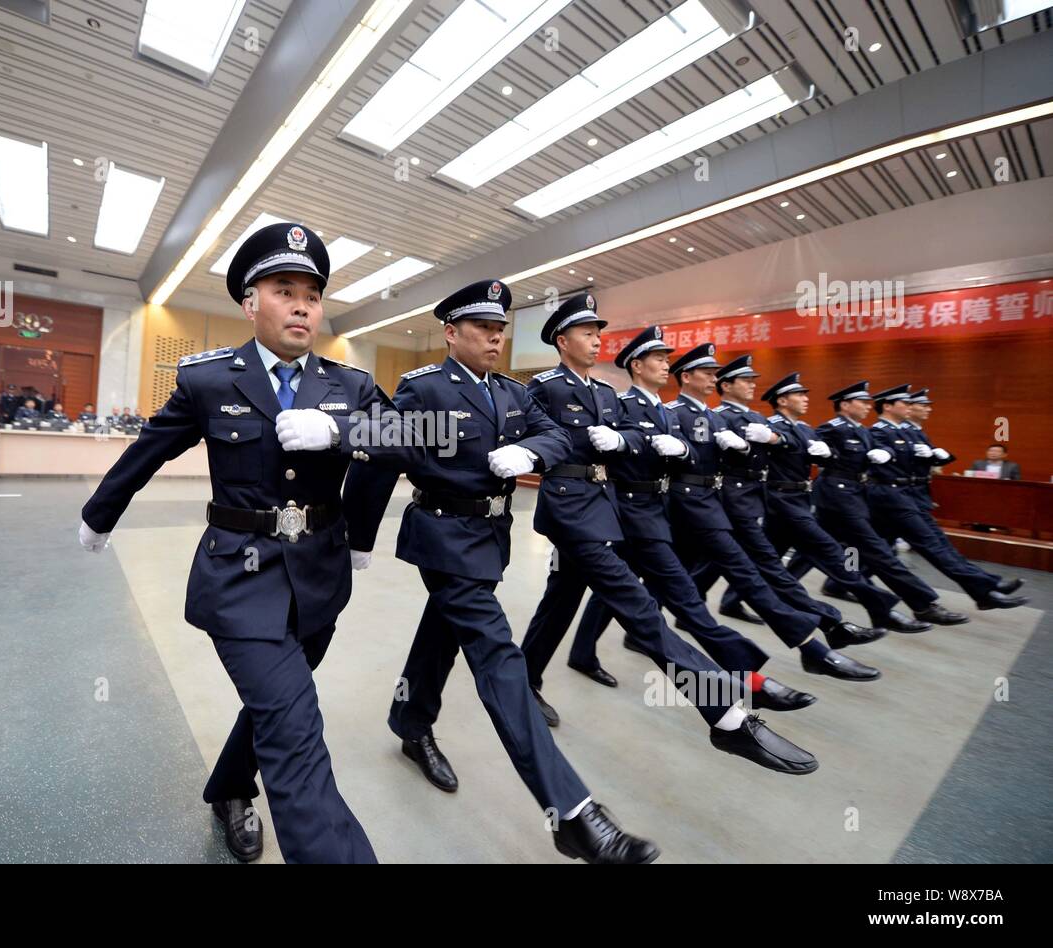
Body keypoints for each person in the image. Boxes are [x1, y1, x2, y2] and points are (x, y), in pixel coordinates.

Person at [79, 222, 420, 864]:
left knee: (277, 701)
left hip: (319, 580)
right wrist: (101, 513)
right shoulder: (211, 379)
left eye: (312, 295)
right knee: (295, 728)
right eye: (284, 289)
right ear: (250, 303)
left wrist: (339, 430)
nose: (301, 305)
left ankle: (231, 788)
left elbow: (412, 436)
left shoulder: (348, 387)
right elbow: (151, 449)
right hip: (239, 577)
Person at [345, 280, 660, 864]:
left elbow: (556, 433)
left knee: (442, 633)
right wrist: (357, 538)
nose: (495, 336)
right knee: (498, 658)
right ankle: (571, 812)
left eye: (501, 329)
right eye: (483, 327)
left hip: (490, 537)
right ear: (450, 332)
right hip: (442, 538)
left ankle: (410, 721)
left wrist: (533, 452)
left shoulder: (512, 394)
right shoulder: (424, 389)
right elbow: (380, 455)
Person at [518, 298, 819, 773]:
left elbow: (630, 439)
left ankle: (525, 678)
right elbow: (528, 438)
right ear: (562, 340)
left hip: (606, 509)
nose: (597, 338)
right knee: (641, 612)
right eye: (586, 332)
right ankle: (725, 715)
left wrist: (626, 442)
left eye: (599, 331)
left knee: (559, 603)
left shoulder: (603, 392)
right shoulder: (544, 388)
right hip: (570, 511)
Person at [660, 345, 880, 681]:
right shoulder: (672, 412)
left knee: (678, 579)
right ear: (686, 377)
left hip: (719, 506)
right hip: (694, 507)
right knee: (751, 573)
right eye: (708, 373)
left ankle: (821, 635)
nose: (713, 379)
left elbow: (751, 455)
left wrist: (750, 445)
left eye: (715, 373)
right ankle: (817, 640)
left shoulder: (717, 416)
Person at [805, 383, 970, 626]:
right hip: (838, 497)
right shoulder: (833, 428)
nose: (868, 406)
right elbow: (810, 447)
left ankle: (760, 592)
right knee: (879, 552)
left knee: (818, 550)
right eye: (862, 401)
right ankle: (921, 604)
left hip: (854, 495)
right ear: (844, 405)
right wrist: (827, 453)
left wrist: (884, 453)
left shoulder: (862, 430)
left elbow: (879, 449)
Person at [863, 385, 1026, 612]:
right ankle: (984, 589)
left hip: (908, 496)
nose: (911, 407)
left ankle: (842, 581)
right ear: (888, 406)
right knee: (933, 546)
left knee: (883, 548)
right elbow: (874, 459)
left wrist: (935, 456)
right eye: (906, 403)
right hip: (892, 497)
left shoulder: (905, 431)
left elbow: (922, 462)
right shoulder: (879, 431)